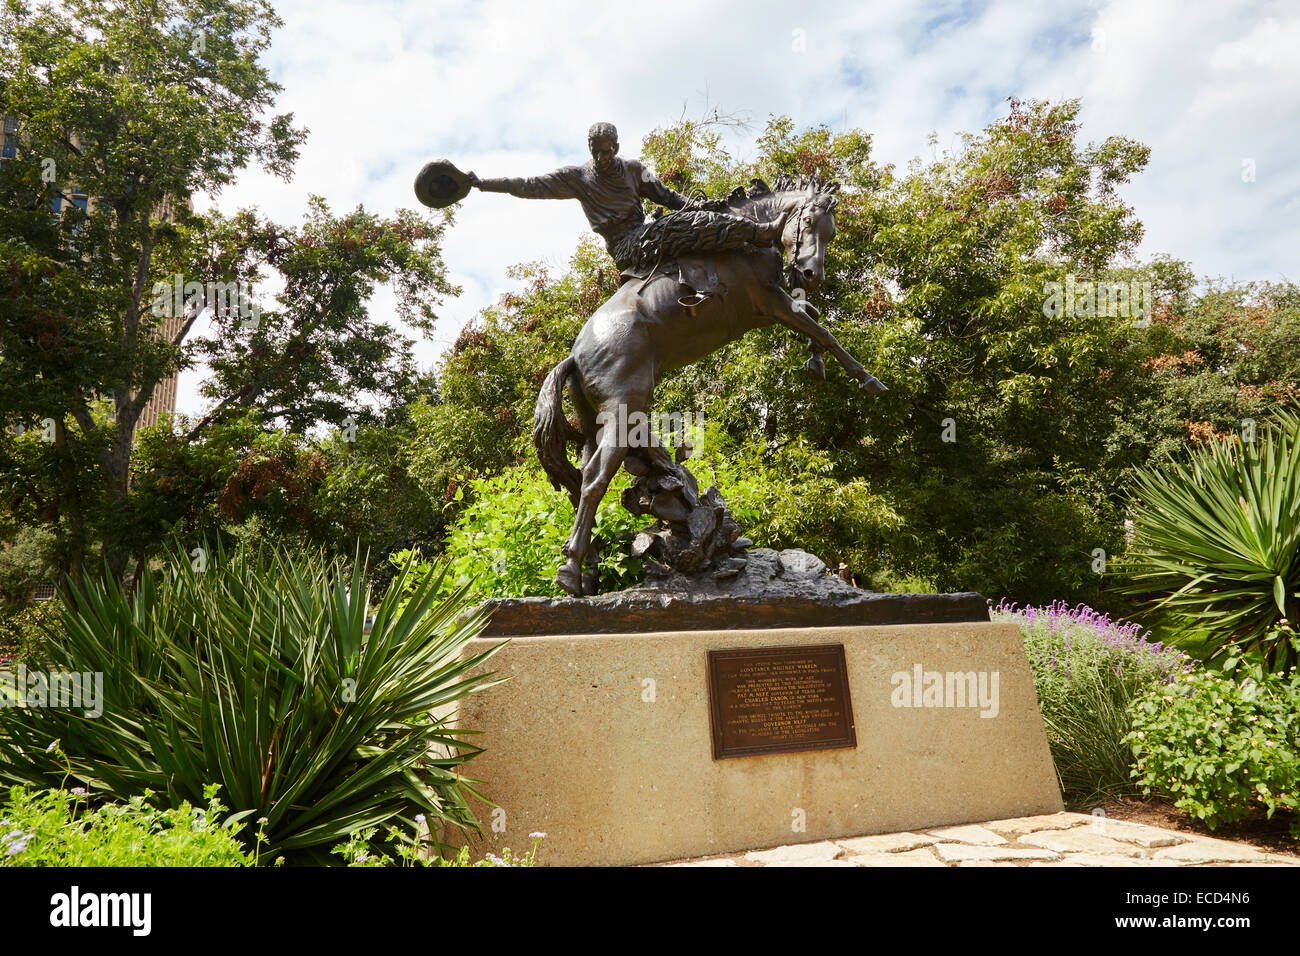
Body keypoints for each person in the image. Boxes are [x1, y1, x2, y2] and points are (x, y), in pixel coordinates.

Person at [466, 122, 787, 275]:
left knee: (694, 219)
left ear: (616, 148)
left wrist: (697, 206)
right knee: (689, 226)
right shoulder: (577, 178)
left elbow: (666, 196)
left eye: (606, 151)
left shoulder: (634, 170)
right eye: (595, 152)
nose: (601, 158)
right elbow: (528, 185)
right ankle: (760, 233)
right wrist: (481, 183)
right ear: (589, 149)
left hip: (645, 230)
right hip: (625, 245)